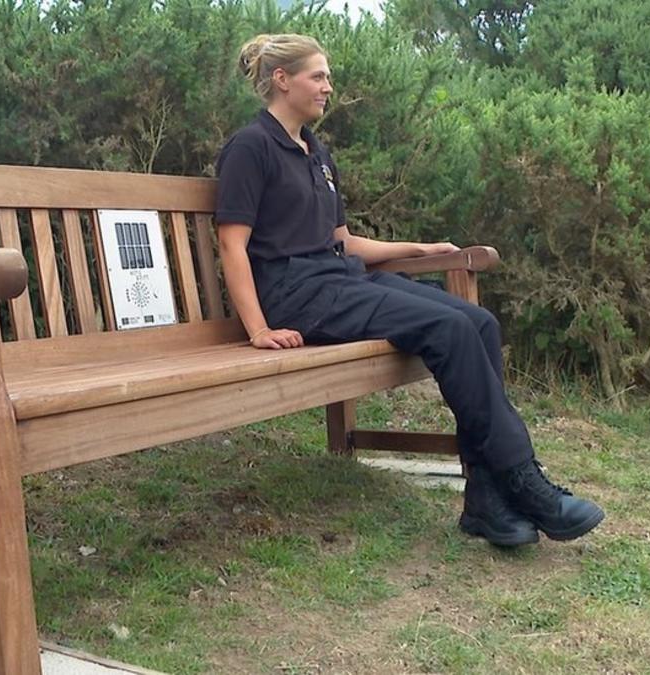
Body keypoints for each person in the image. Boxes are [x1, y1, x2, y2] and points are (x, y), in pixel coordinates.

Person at [214, 33, 604, 547]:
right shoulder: (251, 147)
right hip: (297, 296)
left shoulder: (317, 153)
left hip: (338, 280)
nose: (329, 87)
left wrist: (419, 248)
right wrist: (258, 329)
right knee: (448, 327)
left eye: (328, 76)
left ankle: (487, 502)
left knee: (479, 322)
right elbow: (232, 243)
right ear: (282, 80)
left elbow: (341, 241)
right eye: (319, 76)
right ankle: (524, 480)